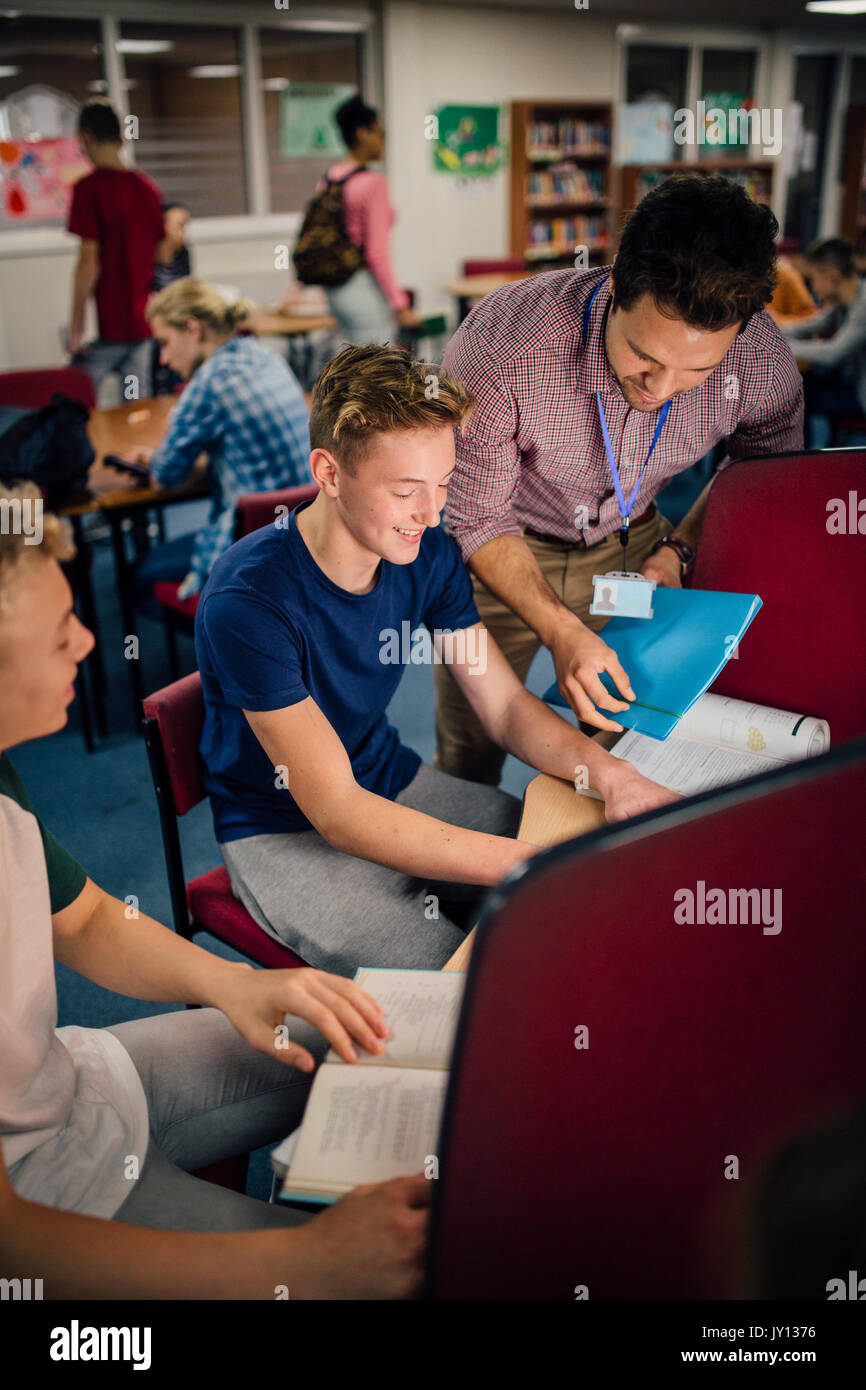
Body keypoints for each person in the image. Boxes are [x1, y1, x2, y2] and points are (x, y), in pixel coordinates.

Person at [0, 482, 430, 1299]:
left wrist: (239, 984)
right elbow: (10, 1239)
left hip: (75, 1083)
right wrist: (307, 1264)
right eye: (61, 632)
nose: (91, 642)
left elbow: (87, 918)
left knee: (377, 1042)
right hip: (41, 1195)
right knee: (360, 1282)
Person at [195, 345, 679, 977]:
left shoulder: (426, 553)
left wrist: (609, 776)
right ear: (330, 473)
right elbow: (337, 811)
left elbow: (503, 707)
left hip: (388, 777)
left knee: (583, 862)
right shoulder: (249, 599)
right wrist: (519, 865)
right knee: (449, 984)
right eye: (404, 492)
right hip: (283, 831)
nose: (431, 514)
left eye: (444, 485)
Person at [434, 173, 805, 786]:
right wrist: (560, 629)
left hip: (638, 548)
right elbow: (476, 517)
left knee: (627, 744)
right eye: (645, 357)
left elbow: (757, 481)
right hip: (500, 555)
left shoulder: (762, 363)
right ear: (615, 286)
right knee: (470, 752)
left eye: (697, 369)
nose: (661, 390)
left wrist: (679, 548)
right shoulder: (502, 349)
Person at [132, 279, 312, 606]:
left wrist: (155, 460)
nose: (163, 359)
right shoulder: (264, 356)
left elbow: (164, 477)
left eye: (165, 343)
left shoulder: (208, 383)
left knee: (140, 579)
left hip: (252, 552)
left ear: (193, 329)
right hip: (310, 540)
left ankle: (216, 637)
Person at [67, 100, 165, 402]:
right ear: (122, 139)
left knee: (76, 402)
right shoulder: (148, 189)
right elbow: (161, 256)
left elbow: (88, 264)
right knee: (137, 406)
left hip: (108, 327)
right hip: (142, 322)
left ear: (84, 137)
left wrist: (76, 328)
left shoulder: (90, 189)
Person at [319, 94, 421, 345]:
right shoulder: (373, 184)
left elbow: (318, 236)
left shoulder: (330, 178)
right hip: (362, 288)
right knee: (375, 370)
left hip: (335, 291)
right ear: (363, 133)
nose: (383, 141)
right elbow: (376, 253)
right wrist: (400, 304)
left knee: (348, 362)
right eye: (380, 133)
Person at [783, 236, 866, 444]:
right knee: (801, 390)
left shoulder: (863, 304)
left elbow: (833, 354)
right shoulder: (845, 302)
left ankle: (803, 461)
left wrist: (783, 347)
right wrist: (770, 333)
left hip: (860, 395)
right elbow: (810, 326)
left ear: (832, 276)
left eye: (813, 280)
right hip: (851, 383)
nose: (813, 288)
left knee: (799, 398)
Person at [151, 201, 192, 395]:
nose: (183, 232)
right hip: (153, 327)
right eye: (179, 225)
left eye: (186, 226)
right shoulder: (147, 254)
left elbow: (186, 291)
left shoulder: (183, 253)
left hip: (176, 321)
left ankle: (178, 396)